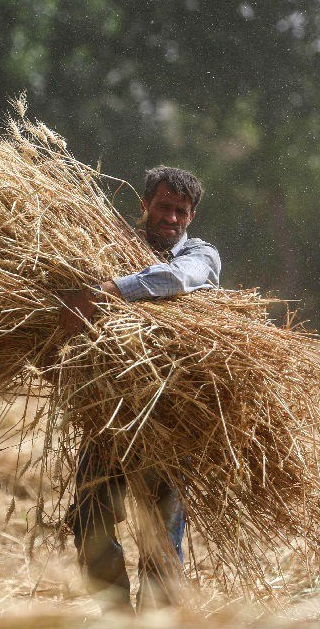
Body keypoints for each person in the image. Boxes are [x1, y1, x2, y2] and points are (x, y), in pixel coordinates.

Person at [58, 166, 221, 613]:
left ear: (192, 216)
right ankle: (115, 616)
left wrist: (108, 291)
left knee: (161, 540)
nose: (171, 218)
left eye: (181, 211)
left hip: (171, 417)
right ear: (145, 205)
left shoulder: (201, 256)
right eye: (164, 207)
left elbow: (177, 279)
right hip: (107, 414)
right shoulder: (109, 245)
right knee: (91, 521)